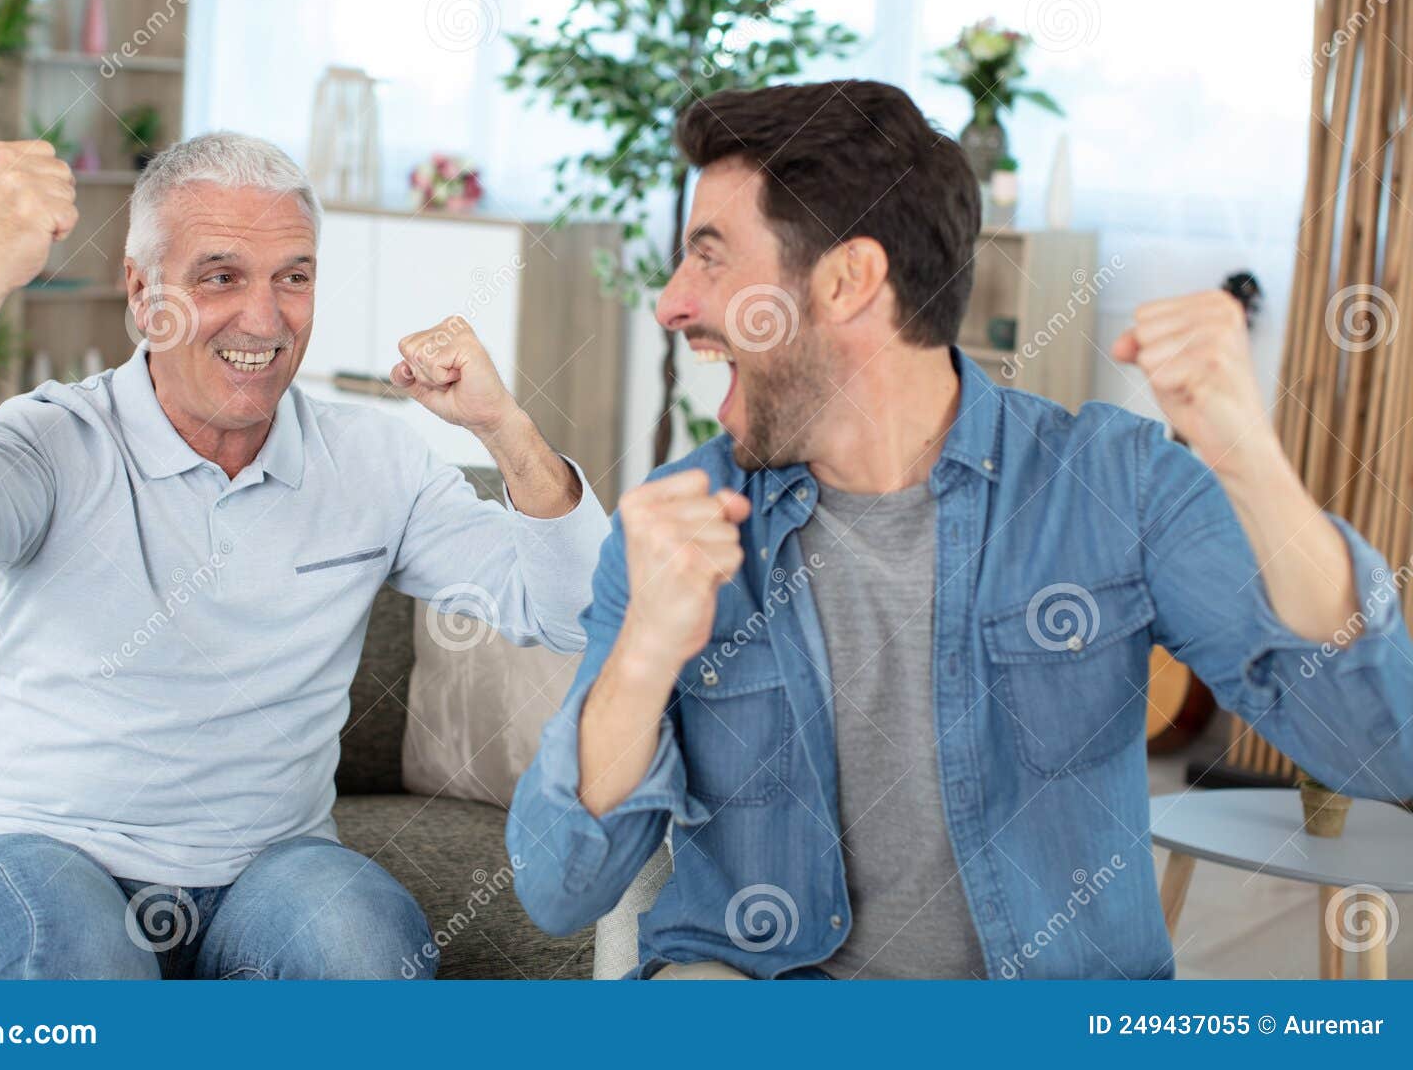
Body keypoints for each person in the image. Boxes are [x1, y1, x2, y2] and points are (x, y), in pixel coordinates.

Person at [507, 80, 1413, 979]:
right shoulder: (679, 522)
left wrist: (1252, 458)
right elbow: (557, 888)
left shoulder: (1110, 483)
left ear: (847, 280)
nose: (669, 302)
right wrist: (641, 657)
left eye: (709, 257)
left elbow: (1383, 745)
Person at [0, 132, 609, 979]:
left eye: (294, 277)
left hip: (271, 867)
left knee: (364, 958)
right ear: (142, 292)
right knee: (84, 984)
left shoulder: (373, 461)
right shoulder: (57, 438)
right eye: (220, 277)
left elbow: (574, 607)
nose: (264, 318)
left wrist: (503, 428)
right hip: (48, 847)